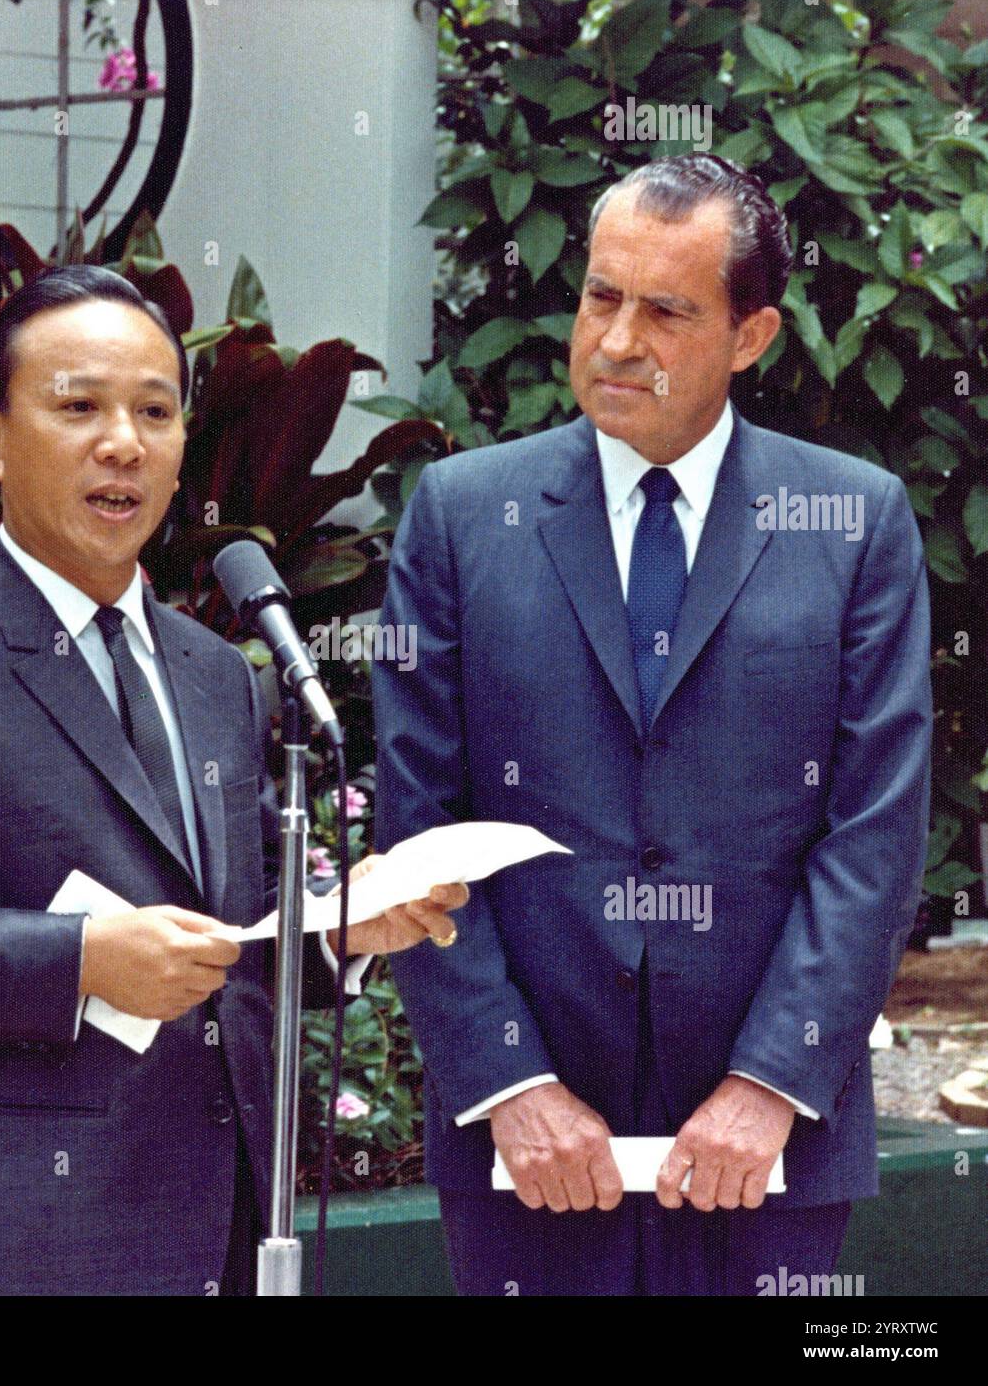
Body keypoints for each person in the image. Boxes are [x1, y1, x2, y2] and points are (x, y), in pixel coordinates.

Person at [0, 265, 466, 1296]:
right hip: (21, 1243)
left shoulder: (217, 678)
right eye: (78, 407)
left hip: (226, 1229)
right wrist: (82, 959)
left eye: (154, 411)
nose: (122, 443)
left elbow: (217, 946)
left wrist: (331, 933)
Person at [373, 154, 932, 1296]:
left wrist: (771, 1082)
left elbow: (872, 833)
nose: (617, 340)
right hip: (524, 1153)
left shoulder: (852, 523)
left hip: (771, 1155)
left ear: (750, 335)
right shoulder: (462, 515)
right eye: (598, 297)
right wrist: (509, 1086)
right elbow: (414, 830)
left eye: (666, 311)